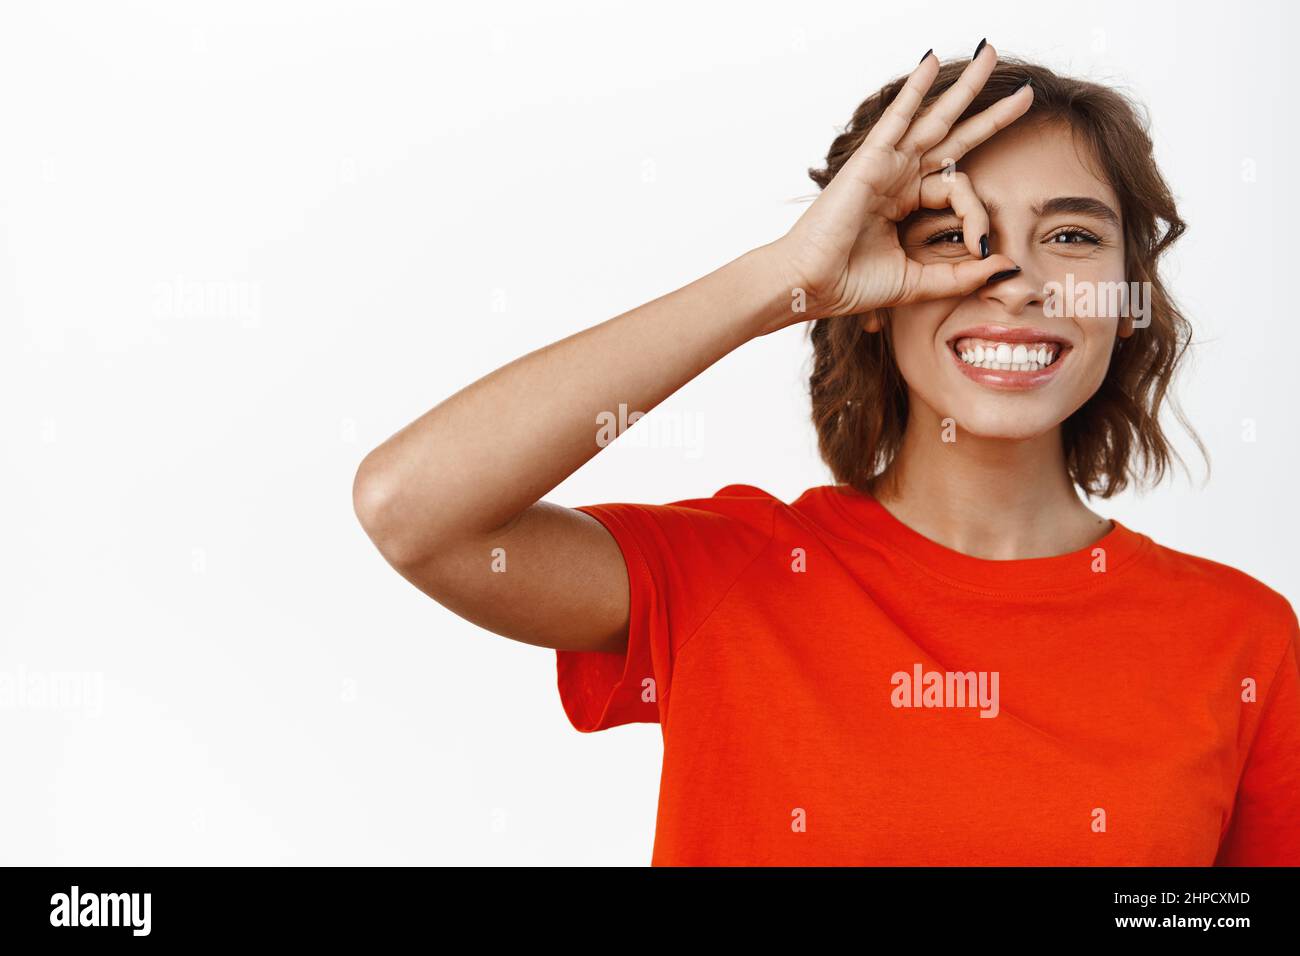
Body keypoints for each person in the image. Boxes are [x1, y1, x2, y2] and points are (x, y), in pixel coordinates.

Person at [352, 40, 1300, 865]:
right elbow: (411, 510)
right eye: (951, 235)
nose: (1013, 280)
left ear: (1129, 295)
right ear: (873, 288)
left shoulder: (1243, 639)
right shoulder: (737, 576)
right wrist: (783, 280)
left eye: (1070, 235)